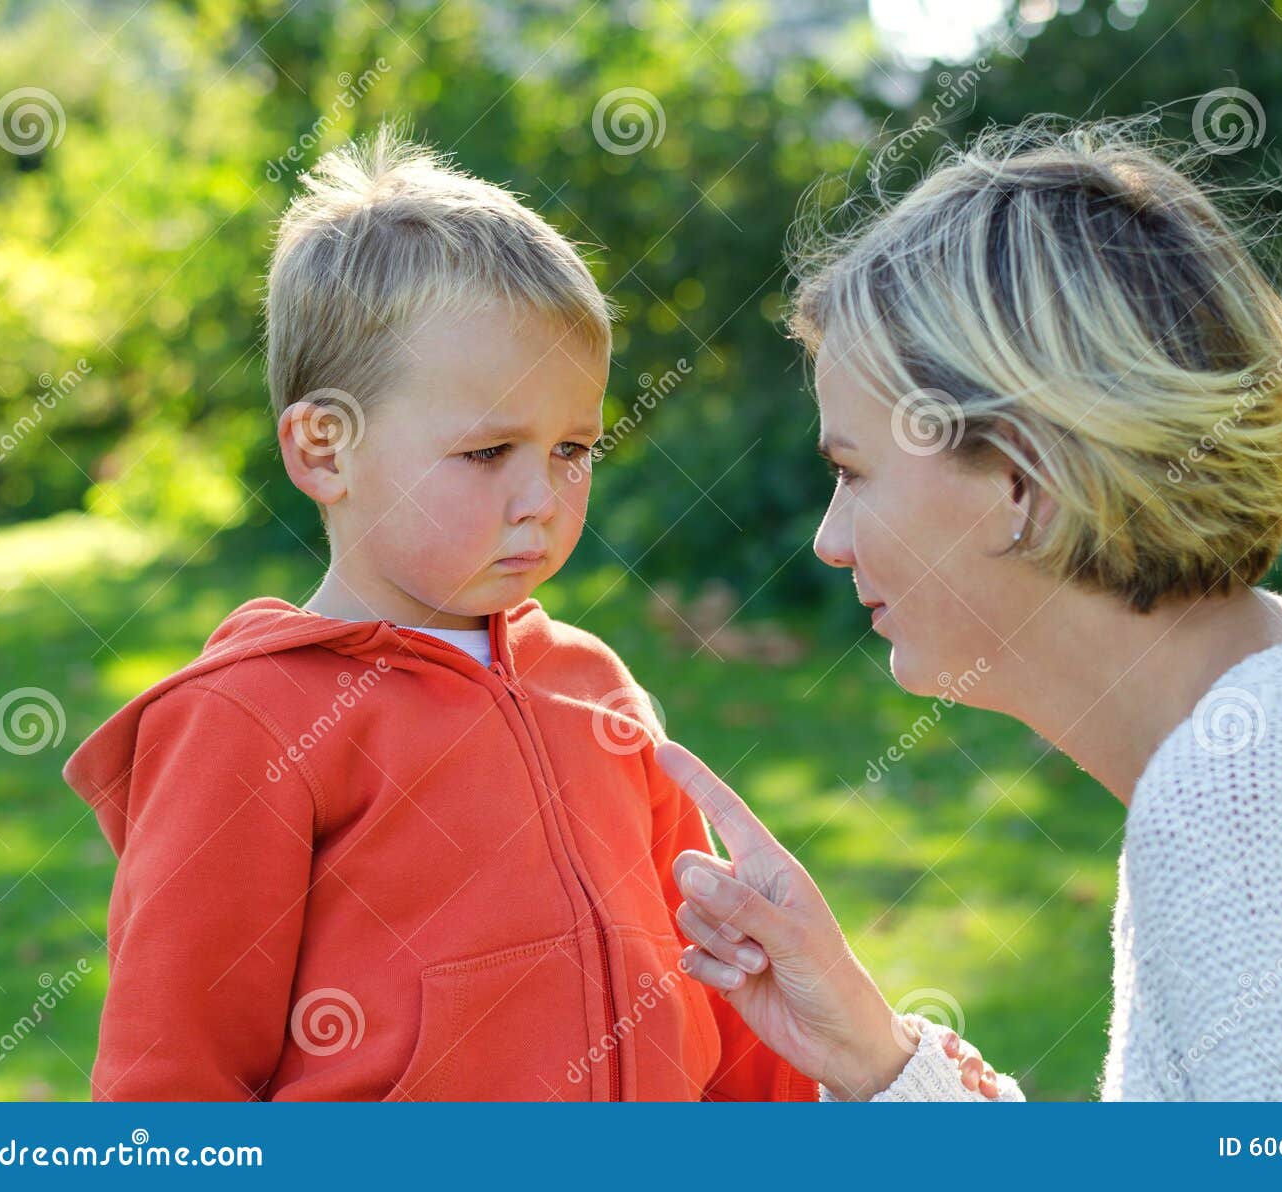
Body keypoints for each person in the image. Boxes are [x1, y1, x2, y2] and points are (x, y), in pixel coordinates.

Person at [662, 116, 1282, 1101]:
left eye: (854, 470)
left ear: (1023, 481)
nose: (829, 539)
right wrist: (875, 1061)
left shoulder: (1264, 801)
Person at [61, 127, 835, 1101]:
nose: (542, 498)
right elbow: (171, 1076)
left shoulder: (594, 684)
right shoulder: (245, 723)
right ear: (324, 449)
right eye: (486, 453)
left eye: (572, 449)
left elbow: (715, 968)